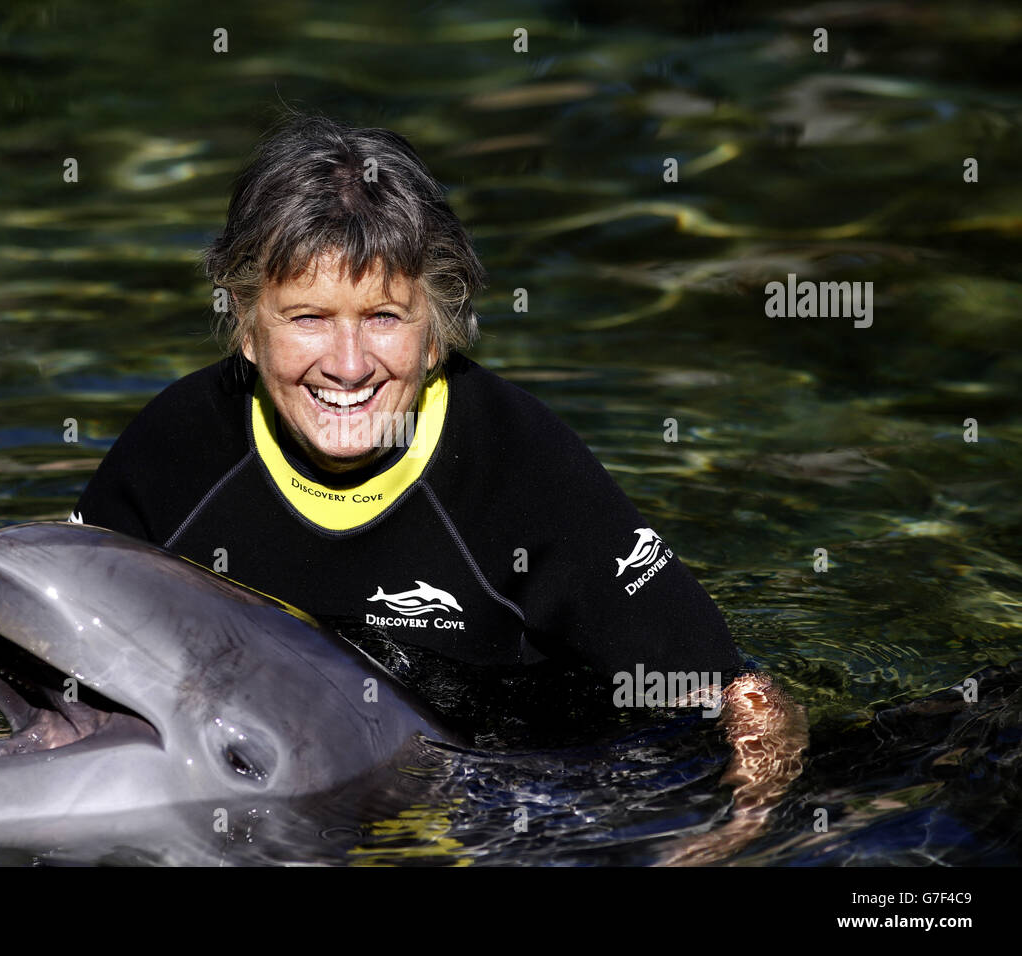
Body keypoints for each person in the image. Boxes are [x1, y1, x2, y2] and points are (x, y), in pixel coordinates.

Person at [72, 112, 806, 863]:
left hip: (524, 799)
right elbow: (69, 657)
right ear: (247, 328)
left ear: (437, 331)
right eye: (308, 318)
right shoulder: (176, 456)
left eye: (384, 316)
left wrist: (733, 837)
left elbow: (745, 699)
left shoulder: (519, 467)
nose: (348, 364)